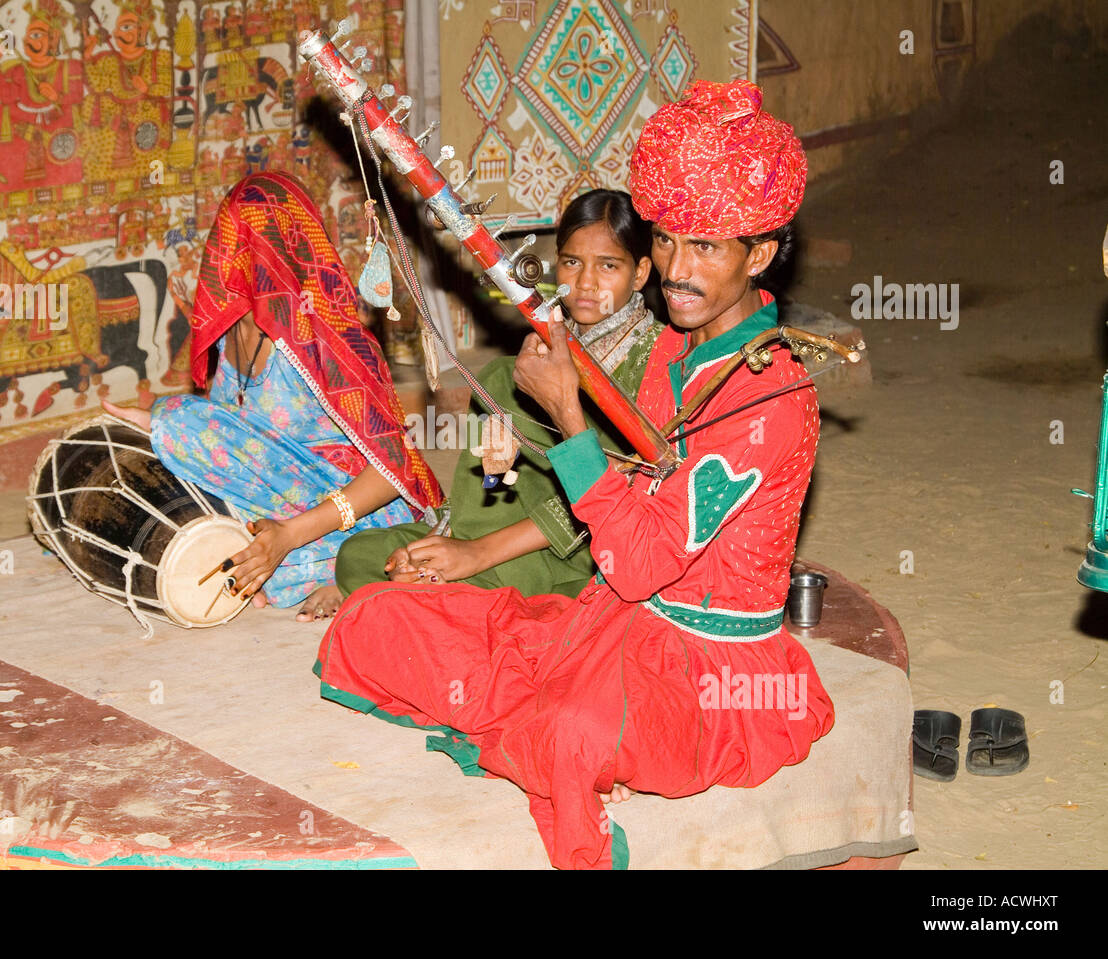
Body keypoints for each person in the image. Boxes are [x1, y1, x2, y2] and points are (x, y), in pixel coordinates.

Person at [314, 80, 835, 869]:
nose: (675, 269)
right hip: (614, 622)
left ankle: (612, 736)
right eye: (666, 241)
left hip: (720, 675)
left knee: (564, 734)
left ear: (759, 253)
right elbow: (627, 523)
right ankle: (605, 726)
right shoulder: (673, 350)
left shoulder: (769, 396)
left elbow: (645, 559)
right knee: (378, 618)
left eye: (707, 247)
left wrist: (569, 420)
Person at [104, 172, 443, 621]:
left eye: (256, 241)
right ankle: (310, 567)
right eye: (232, 240)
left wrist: (287, 535)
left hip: (359, 511)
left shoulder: (328, 338)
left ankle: (343, 568)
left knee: (181, 418)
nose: (239, 255)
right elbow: (239, 446)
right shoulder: (227, 334)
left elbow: (391, 473)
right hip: (278, 501)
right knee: (179, 476)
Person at [334, 188, 656, 599]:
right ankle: (428, 598)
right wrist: (442, 541)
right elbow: (482, 491)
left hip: (570, 555)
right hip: (486, 535)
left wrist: (478, 554)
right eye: (573, 262)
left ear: (641, 272)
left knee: (446, 597)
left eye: (609, 265)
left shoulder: (655, 365)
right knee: (359, 555)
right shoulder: (525, 362)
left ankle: (431, 604)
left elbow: (620, 494)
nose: (586, 282)